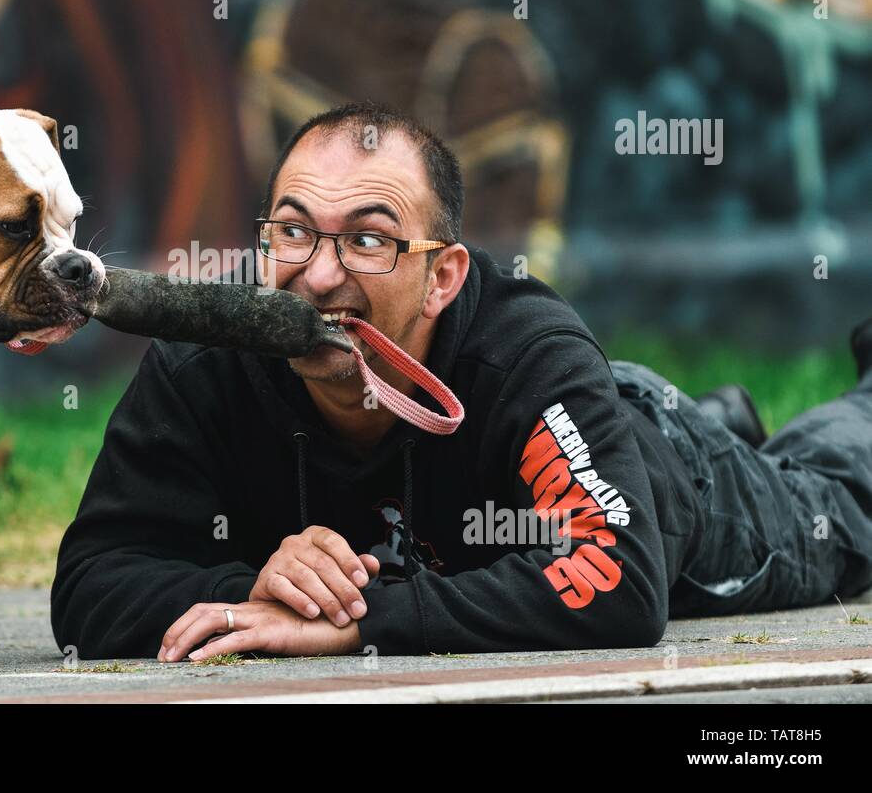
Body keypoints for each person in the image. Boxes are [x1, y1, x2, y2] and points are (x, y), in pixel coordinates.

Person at [50, 102, 872, 661]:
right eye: (294, 231)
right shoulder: (204, 355)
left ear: (443, 277)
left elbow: (616, 578)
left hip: (668, 485)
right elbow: (91, 581)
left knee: (841, 502)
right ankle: (724, 418)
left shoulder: (528, 351)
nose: (318, 276)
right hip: (579, 444)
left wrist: (361, 620)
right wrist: (249, 592)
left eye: (368, 241)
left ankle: (733, 430)